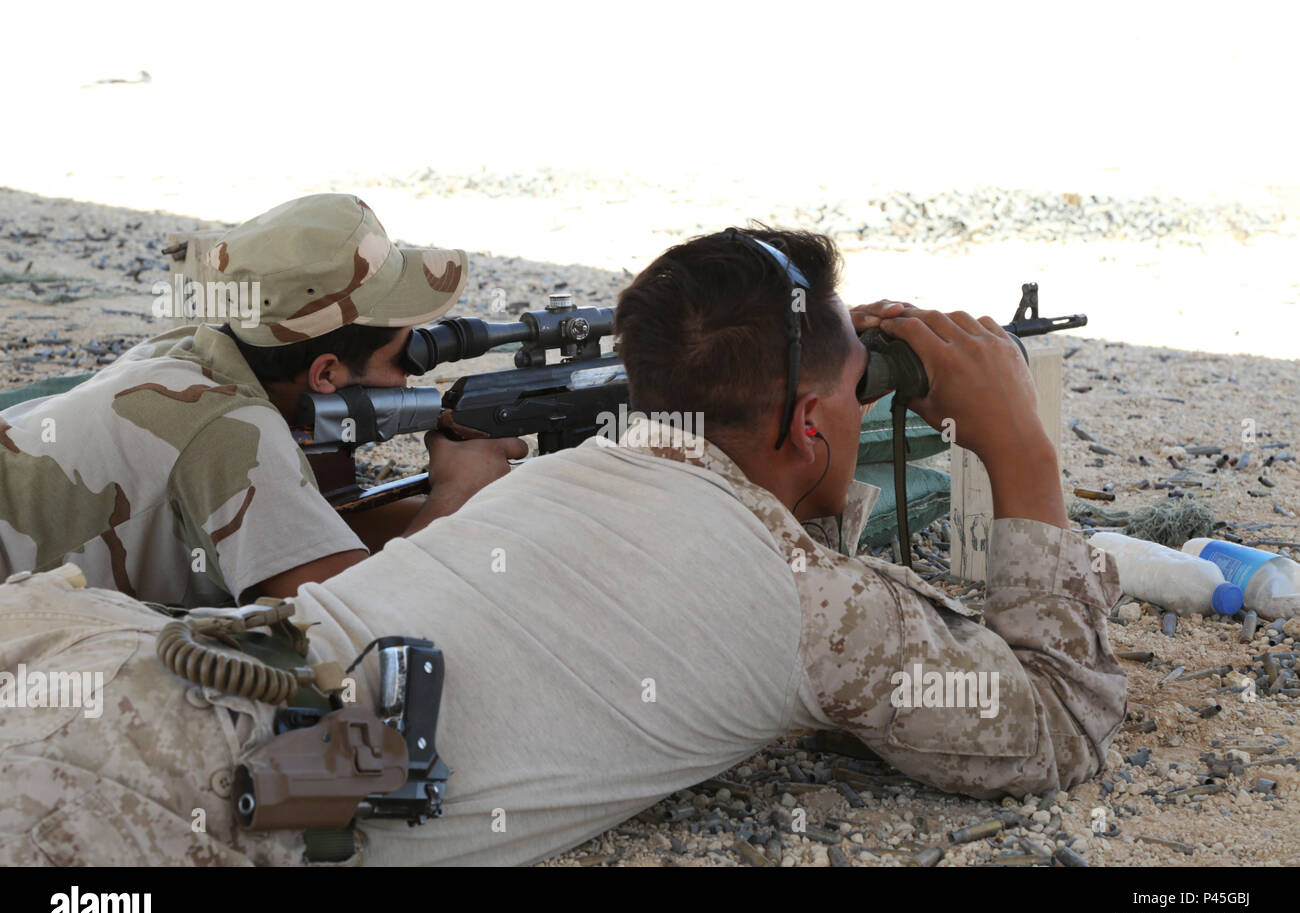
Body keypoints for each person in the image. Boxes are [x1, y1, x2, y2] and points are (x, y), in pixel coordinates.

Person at [0, 227, 1125, 866]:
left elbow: (757, 531)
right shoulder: (822, 614)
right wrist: (1022, 456)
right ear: (814, 423)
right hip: (147, 819)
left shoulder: (559, 480)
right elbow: (1060, 721)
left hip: (84, 665)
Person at [0, 193, 525, 607]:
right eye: (405, 357)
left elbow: (305, 532)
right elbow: (347, 619)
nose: (411, 378)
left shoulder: (194, 350)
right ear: (325, 373)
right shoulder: (231, 431)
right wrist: (458, 496)